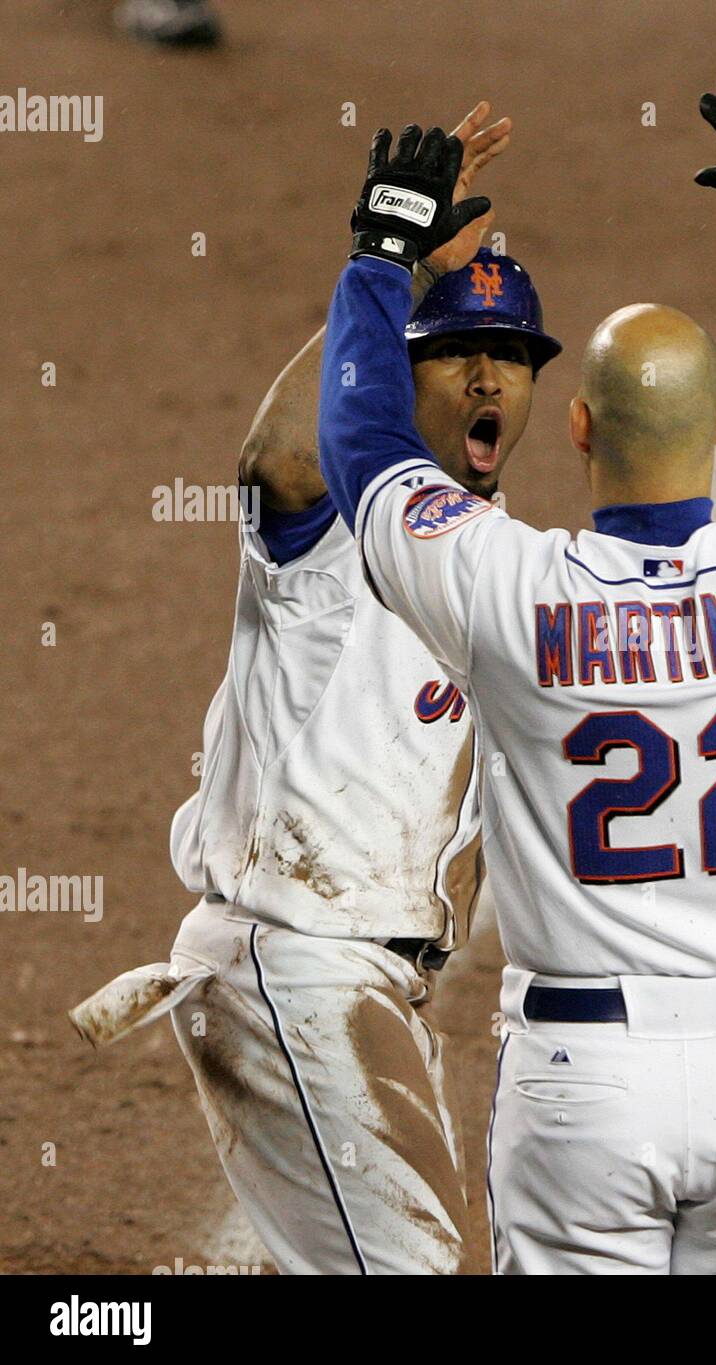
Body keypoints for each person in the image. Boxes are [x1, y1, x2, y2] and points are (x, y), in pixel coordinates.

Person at [316, 78, 716, 1274]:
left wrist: (381, 254)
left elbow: (363, 445)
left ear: (577, 428)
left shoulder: (509, 588)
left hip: (583, 1079)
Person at [69, 104, 563, 1274]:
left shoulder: (497, 557)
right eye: (455, 351)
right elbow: (276, 463)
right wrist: (387, 266)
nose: (488, 376)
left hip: (366, 980)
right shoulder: (335, 521)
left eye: (512, 356)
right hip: (295, 963)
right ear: (395, 373)